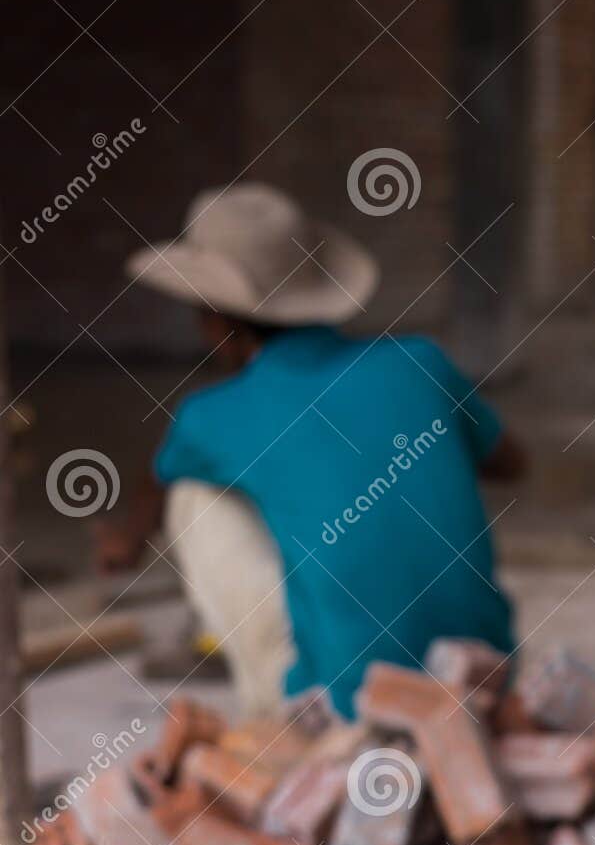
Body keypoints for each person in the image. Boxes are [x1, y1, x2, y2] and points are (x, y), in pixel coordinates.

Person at [97, 183, 521, 718]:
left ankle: (280, 713)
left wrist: (124, 542)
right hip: (490, 679)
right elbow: (510, 462)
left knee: (193, 493)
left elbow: (153, 492)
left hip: (350, 706)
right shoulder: (420, 360)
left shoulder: (213, 414)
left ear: (216, 324)